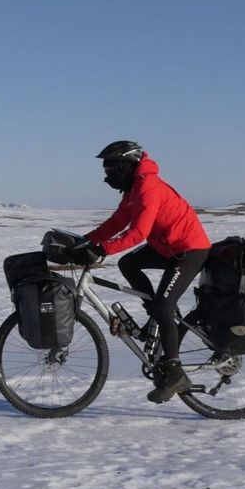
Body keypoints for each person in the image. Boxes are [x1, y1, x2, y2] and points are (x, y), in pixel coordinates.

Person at [60, 140, 212, 403]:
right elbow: (117, 222)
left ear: (126, 165)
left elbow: (138, 232)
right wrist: (86, 241)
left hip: (189, 250)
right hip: (166, 248)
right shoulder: (132, 189)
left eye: (110, 170)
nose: (107, 176)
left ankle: (175, 372)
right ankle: (157, 312)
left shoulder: (147, 188)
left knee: (163, 307)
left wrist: (103, 250)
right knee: (128, 264)